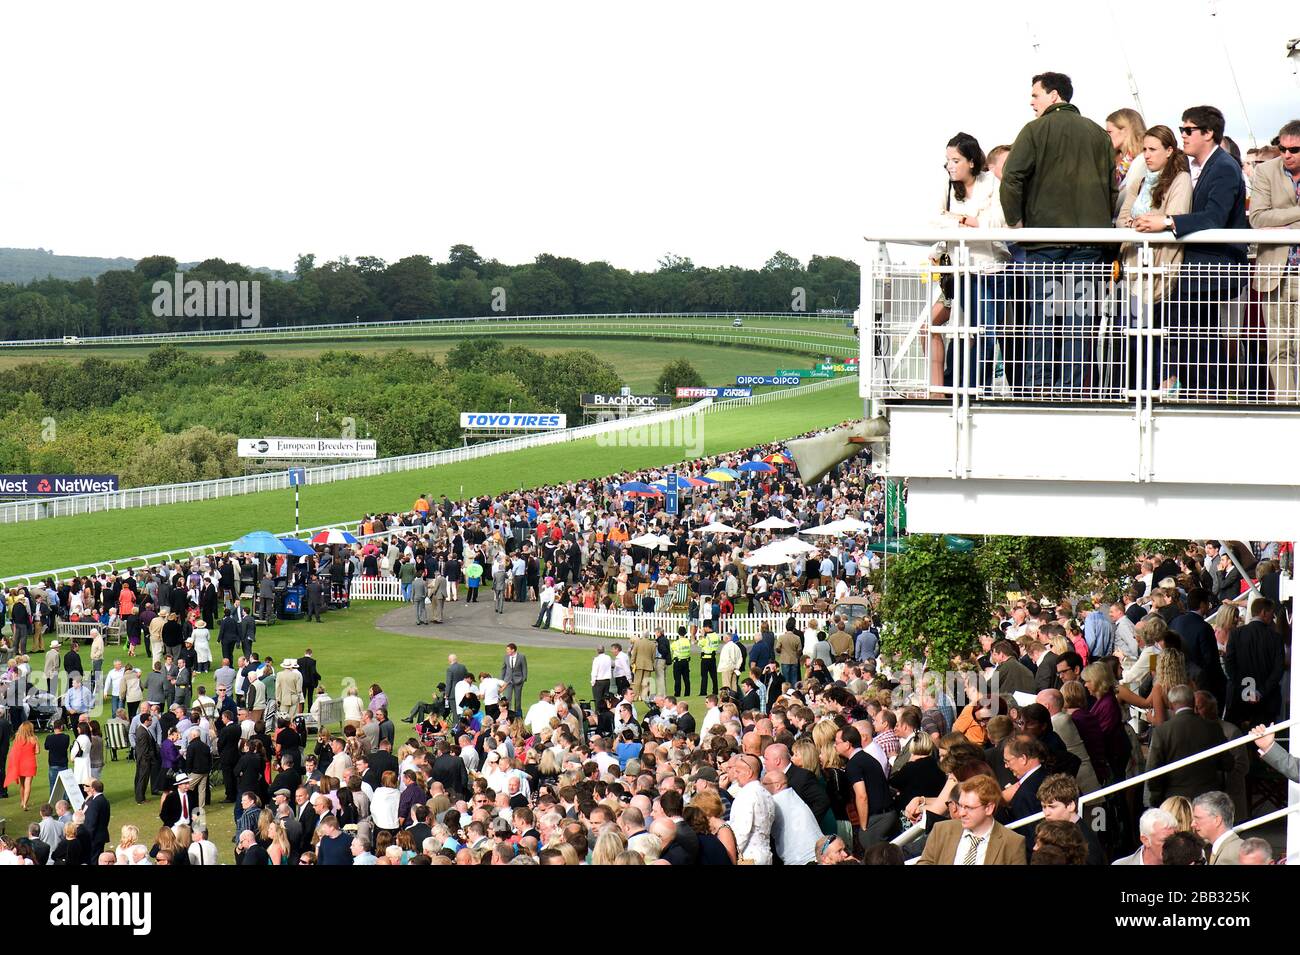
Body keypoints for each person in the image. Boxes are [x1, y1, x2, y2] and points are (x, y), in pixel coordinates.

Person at [1000, 71, 1116, 396]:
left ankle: (1039, 390)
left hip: (1045, 243)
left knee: (1043, 320)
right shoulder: (1098, 134)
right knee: (1079, 323)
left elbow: (1012, 178)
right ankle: (1075, 391)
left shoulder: (1035, 130)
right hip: (1091, 243)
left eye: (1035, 95)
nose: (1031, 101)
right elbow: (1111, 188)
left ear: (1054, 96)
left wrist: (1015, 222)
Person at [1134, 105, 1249, 397]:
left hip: (1211, 271)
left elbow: (1214, 217)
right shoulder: (1197, 166)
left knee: (1200, 343)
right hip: (1196, 272)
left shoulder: (1223, 167)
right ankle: (1197, 394)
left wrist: (1168, 221)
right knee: (1189, 340)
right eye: (1182, 129)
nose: (1183, 136)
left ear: (1208, 133)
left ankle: (1209, 399)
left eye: (1188, 130)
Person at [1117, 125, 1192, 393]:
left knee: (1153, 329)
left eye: (1153, 150)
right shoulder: (1140, 180)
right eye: (1144, 150)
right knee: (1134, 329)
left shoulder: (1180, 179)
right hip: (1133, 264)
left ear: (1169, 151)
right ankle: (1141, 386)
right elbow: (1125, 216)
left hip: (1159, 265)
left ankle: (1162, 384)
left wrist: (1148, 222)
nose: (1147, 156)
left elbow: (1175, 214)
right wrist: (1139, 222)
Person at [1248, 119, 1300, 400]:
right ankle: (1285, 403)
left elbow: (1270, 218)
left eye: (1294, 149)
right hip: (1275, 274)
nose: (1287, 154)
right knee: (1278, 348)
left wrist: (1282, 224)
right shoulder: (1266, 171)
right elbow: (1257, 218)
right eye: (1282, 148)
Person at [917, 775, 1027, 865]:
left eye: (969, 808)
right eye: (960, 806)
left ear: (989, 808)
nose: (961, 813)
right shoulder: (941, 830)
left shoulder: (1013, 843)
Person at [1107, 107, 1148, 217]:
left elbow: (1128, 195)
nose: (1106, 136)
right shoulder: (1119, 161)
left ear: (1125, 131)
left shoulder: (1142, 160)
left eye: (1109, 132)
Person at [1191, 790, 1241, 865]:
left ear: (1217, 820)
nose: (1193, 824)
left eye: (1198, 818)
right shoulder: (1235, 848)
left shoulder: (1229, 857)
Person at [4, 721, 38, 810]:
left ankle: (22, 801)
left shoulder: (18, 738)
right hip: (30, 763)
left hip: (20, 763)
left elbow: (14, 751)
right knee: (28, 784)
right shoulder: (34, 738)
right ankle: (25, 804)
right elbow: (37, 751)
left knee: (22, 785)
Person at [499, 644, 527, 719]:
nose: (507, 651)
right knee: (508, 699)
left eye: (508, 649)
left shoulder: (521, 657)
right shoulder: (506, 657)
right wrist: (501, 681)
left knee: (517, 700)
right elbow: (503, 669)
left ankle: (518, 717)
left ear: (513, 650)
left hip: (518, 681)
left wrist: (523, 679)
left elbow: (524, 668)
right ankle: (508, 716)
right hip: (508, 681)